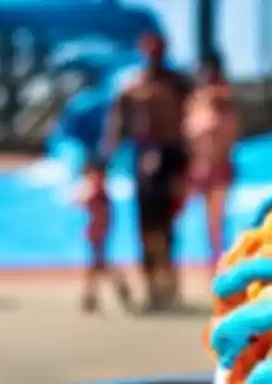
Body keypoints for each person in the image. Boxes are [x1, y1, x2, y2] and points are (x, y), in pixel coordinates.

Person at [103, 32, 192, 312]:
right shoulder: (134, 86)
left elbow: (193, 120)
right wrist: (106, 158)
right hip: (145, 158)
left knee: (168, 227)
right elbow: (117, 122)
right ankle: (153, 286)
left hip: (173, 157)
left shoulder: (178, 85)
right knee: (146, 226)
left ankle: (169, 285)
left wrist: (193, 163)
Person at [184, 52, 238, 270]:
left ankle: (219, 262)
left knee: (217, 220)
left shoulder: (222, 98)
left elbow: (228, 133)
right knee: (206, 222)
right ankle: (212, 262)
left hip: (217, 166)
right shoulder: (197, 100)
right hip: (200, 165)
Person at [75, 158, 133, 314]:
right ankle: (92, 297)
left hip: (98, 231)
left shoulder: (96, 185)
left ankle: (94, 296)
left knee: (98, 264)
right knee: (97, 264)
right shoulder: (102, 188)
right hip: (99, 230)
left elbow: (83, 200)